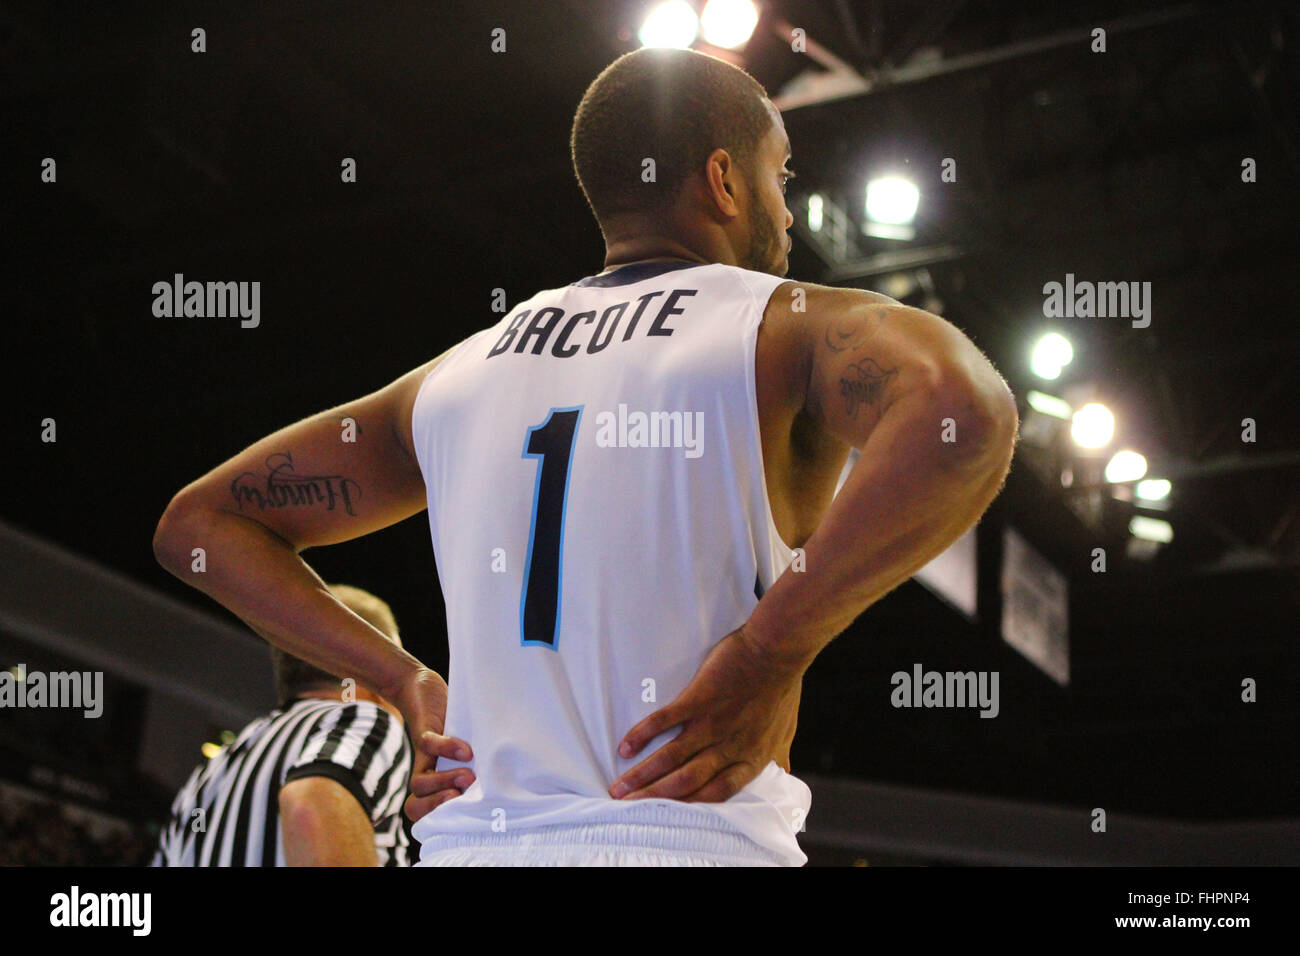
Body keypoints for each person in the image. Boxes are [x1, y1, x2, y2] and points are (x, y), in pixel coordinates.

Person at [152, 47, 1018, 866]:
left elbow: (200, 525)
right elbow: (964, 411)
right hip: (683, 842)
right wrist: (769, 653)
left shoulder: (454, 375)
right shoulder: (782, 325)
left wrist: (404, 678)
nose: (788, 209)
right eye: (779, 175)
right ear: (723, 179)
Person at [151, 584, 413, 866]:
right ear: (373, 666)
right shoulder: (362, 719)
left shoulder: (210, 773)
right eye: (395, 663)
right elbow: (311, 807)